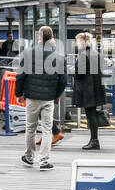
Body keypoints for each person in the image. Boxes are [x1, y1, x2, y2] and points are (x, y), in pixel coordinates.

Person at [16, 25, 68, 171]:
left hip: (31, 97)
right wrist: (56, 95)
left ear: (39, 37)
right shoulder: (59, 57)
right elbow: (63, 80)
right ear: (52, 38)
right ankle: (44, 161)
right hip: (48, 98)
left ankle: (29, 157)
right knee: (46, 129)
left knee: (30, 128)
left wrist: (19, 94)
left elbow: (21, 76)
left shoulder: (28, 54)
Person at [72, 31, 106, 151]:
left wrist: (74, 70)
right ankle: (94, 139)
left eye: (77, 41)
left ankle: (94, 140)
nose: (76, 44)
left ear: (81, 42)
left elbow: (79, 74)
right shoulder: (95, 53)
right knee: (92, 114)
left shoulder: (83, 55)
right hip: (96, 88)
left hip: (87, 89)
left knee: (90, 115)